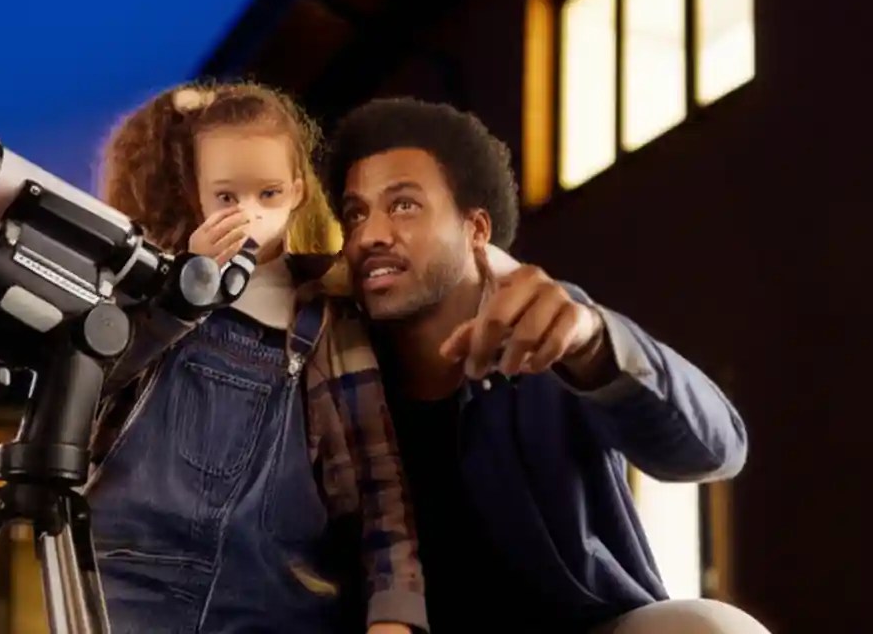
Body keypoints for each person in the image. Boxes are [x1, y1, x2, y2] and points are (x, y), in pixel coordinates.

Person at [319, 97, 771, 634]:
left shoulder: (553, 330)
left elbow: (717, 450)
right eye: (355, 213)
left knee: (708, 627)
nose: (370, 235)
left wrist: (595, 346)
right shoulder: (333, 373)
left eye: (404, 205)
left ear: (477, 229)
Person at [82, 83, 426, 634]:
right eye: (226, 197)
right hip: (131, 599)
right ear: (196, 195)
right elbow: (88, 388)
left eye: (267, 194)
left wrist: (395, 614)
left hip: (279, 605)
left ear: (296, 192)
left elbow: (381, 489)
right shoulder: (146, 295)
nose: (248, 213)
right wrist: (179, 296)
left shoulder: (333, 323)